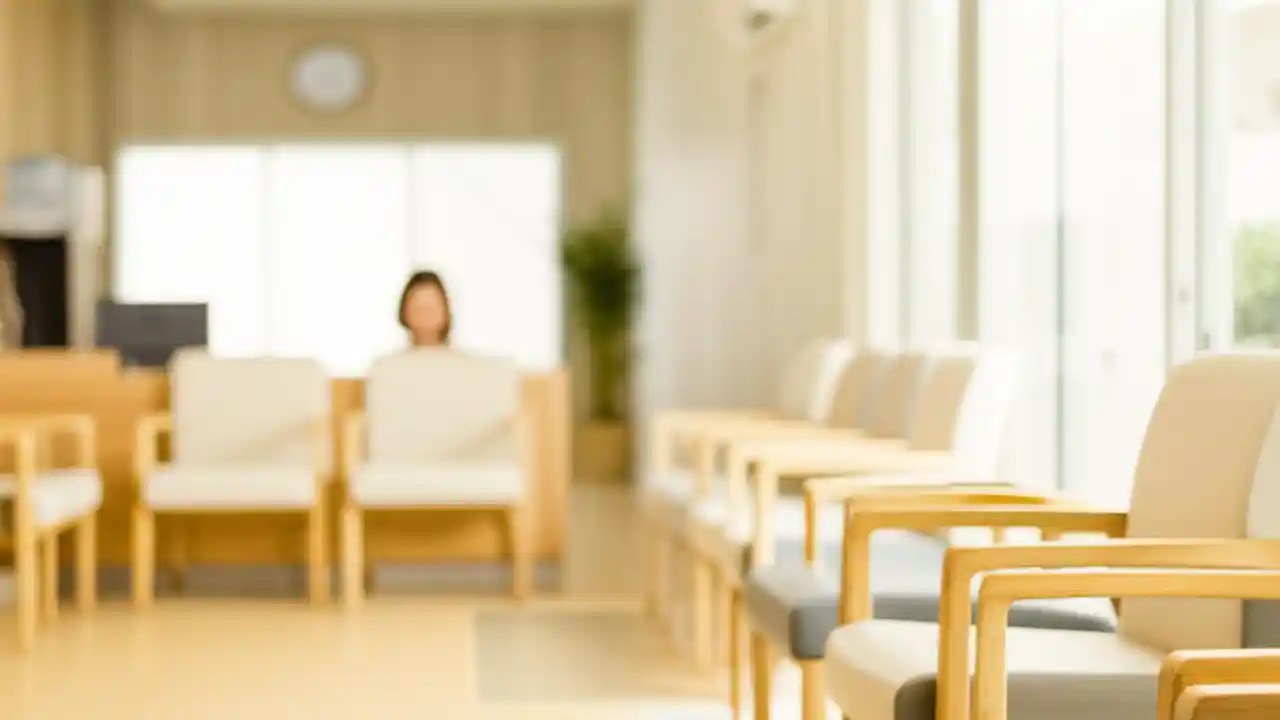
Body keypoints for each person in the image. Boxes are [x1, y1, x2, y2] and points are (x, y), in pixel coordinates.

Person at [397, 270, 452, 348]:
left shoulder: (465, 360)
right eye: (419, 307)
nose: (425, 313)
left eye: (431, 306)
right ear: (404, 312)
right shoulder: (390, 360)